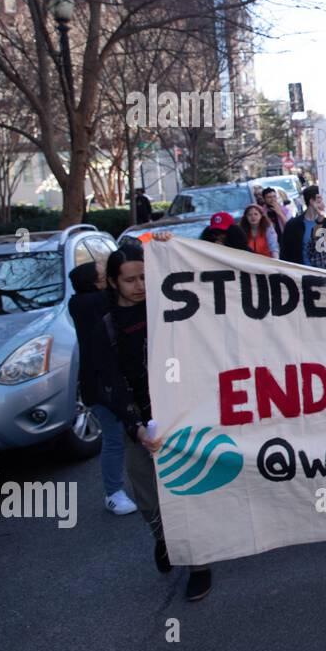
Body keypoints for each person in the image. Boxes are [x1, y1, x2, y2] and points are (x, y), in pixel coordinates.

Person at [73, 240, 213, 600]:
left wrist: (169, 248)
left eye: (143, 277)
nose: (139, 286)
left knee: (188, 492)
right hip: (139, 421)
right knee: (149, 498)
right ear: (114, 283)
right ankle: (163, 539)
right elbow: (110, 382)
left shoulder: (171, 310)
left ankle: (198, 564)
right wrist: (135, 425)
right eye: (130, 280)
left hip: (183, 415)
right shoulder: (105, 328)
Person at [68, 261, 136, 516]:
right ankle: (113, 493)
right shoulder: (88, 304)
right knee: (114, 438)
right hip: (101, 386)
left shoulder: (87, 302)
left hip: (113, 382)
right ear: (95, 282)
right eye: (103, 272)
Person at [280, 185, 326, 269]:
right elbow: (285, 253)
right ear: (312, 201)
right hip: (299, 276)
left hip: (323, 276)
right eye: (321, 199)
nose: (324, 203)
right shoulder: (293, 225)